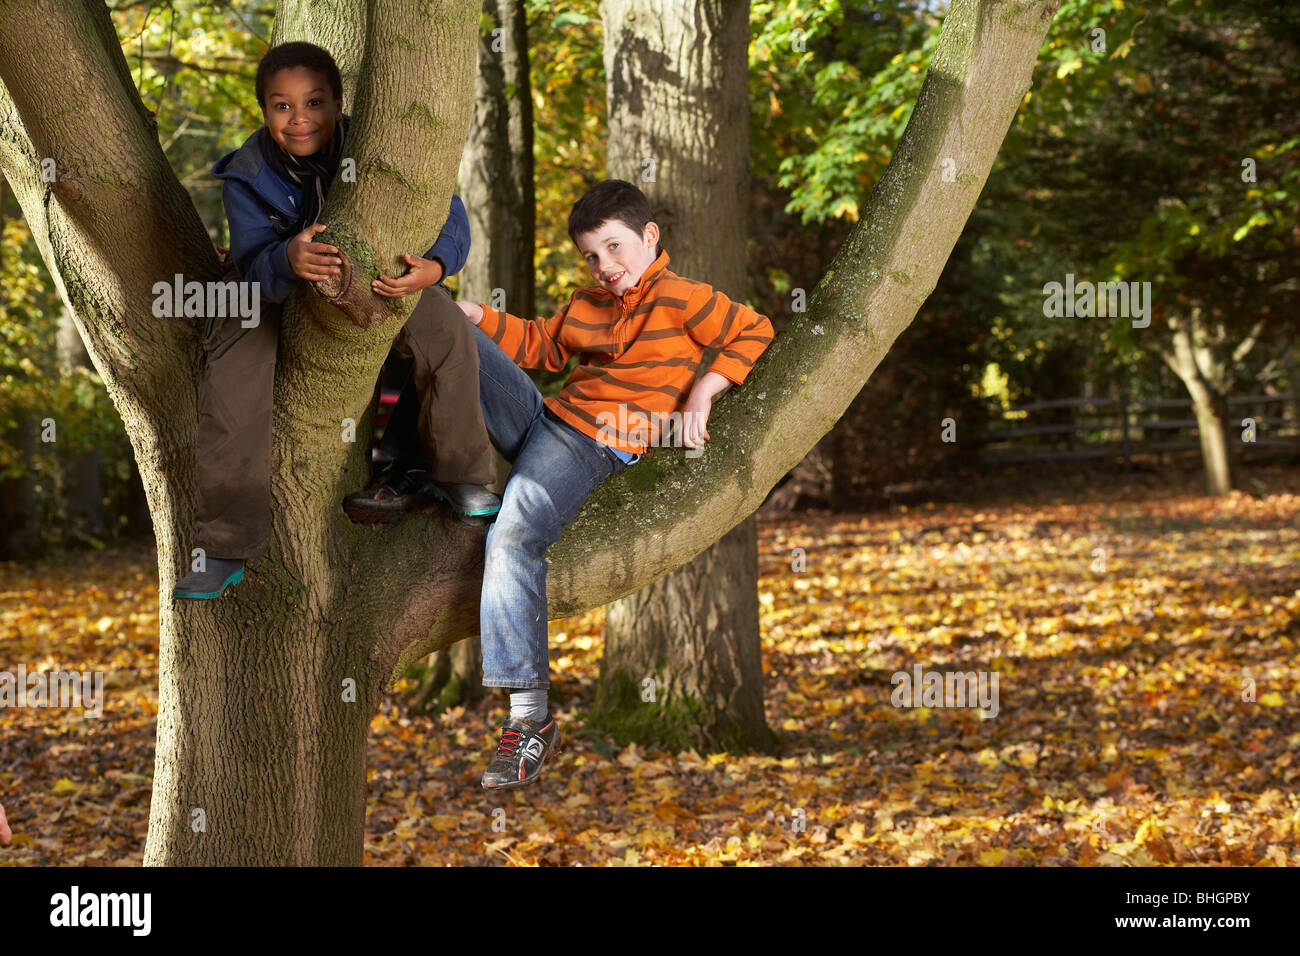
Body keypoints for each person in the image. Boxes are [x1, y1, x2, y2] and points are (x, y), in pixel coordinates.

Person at [456, 180, 775, 789]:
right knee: (449, 332)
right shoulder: (587, 303)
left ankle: (529, 720)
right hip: (544, 419)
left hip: (590, 442)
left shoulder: (683, 299)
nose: (605, 267)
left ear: (649, 236)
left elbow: (753, 331)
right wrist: (476, 315)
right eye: (592, 256)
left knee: (511, 539)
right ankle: (412, 471)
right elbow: (544, 345)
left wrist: (704, 393)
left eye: (615, 247)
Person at [175, 41, 498, 600]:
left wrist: (437, 265)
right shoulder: (247, 175)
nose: (300, 119)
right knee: (232, 377)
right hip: (268, 290)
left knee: (446, 329)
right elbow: (252, 264)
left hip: (376, 276)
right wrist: (287, 259)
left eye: (315, 102)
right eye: (282, 106)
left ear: (340, 102)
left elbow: (448, 208)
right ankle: (225, 543)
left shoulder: (377, 148)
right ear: (264, 111)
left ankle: (459, 474)